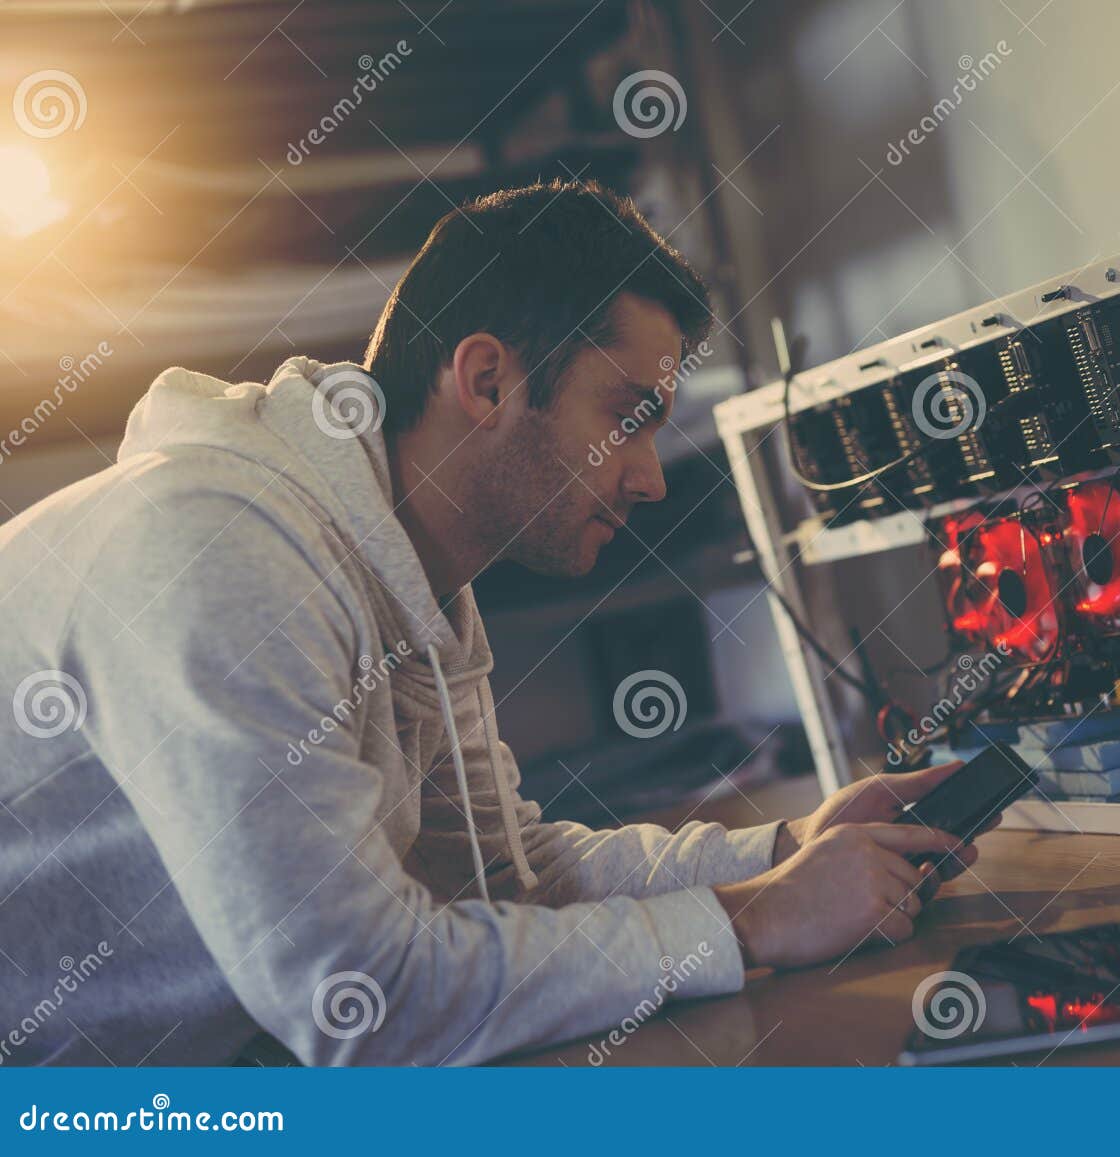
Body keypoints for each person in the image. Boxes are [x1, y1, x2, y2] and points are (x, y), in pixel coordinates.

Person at [0, 179, 980, 1066]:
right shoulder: (220, 549)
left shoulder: (405, 572)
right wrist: (755, 919)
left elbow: (509, 873)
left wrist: (786, 848)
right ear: (484, 381)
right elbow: (363, 997)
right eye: (626, 414)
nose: (646, 476)